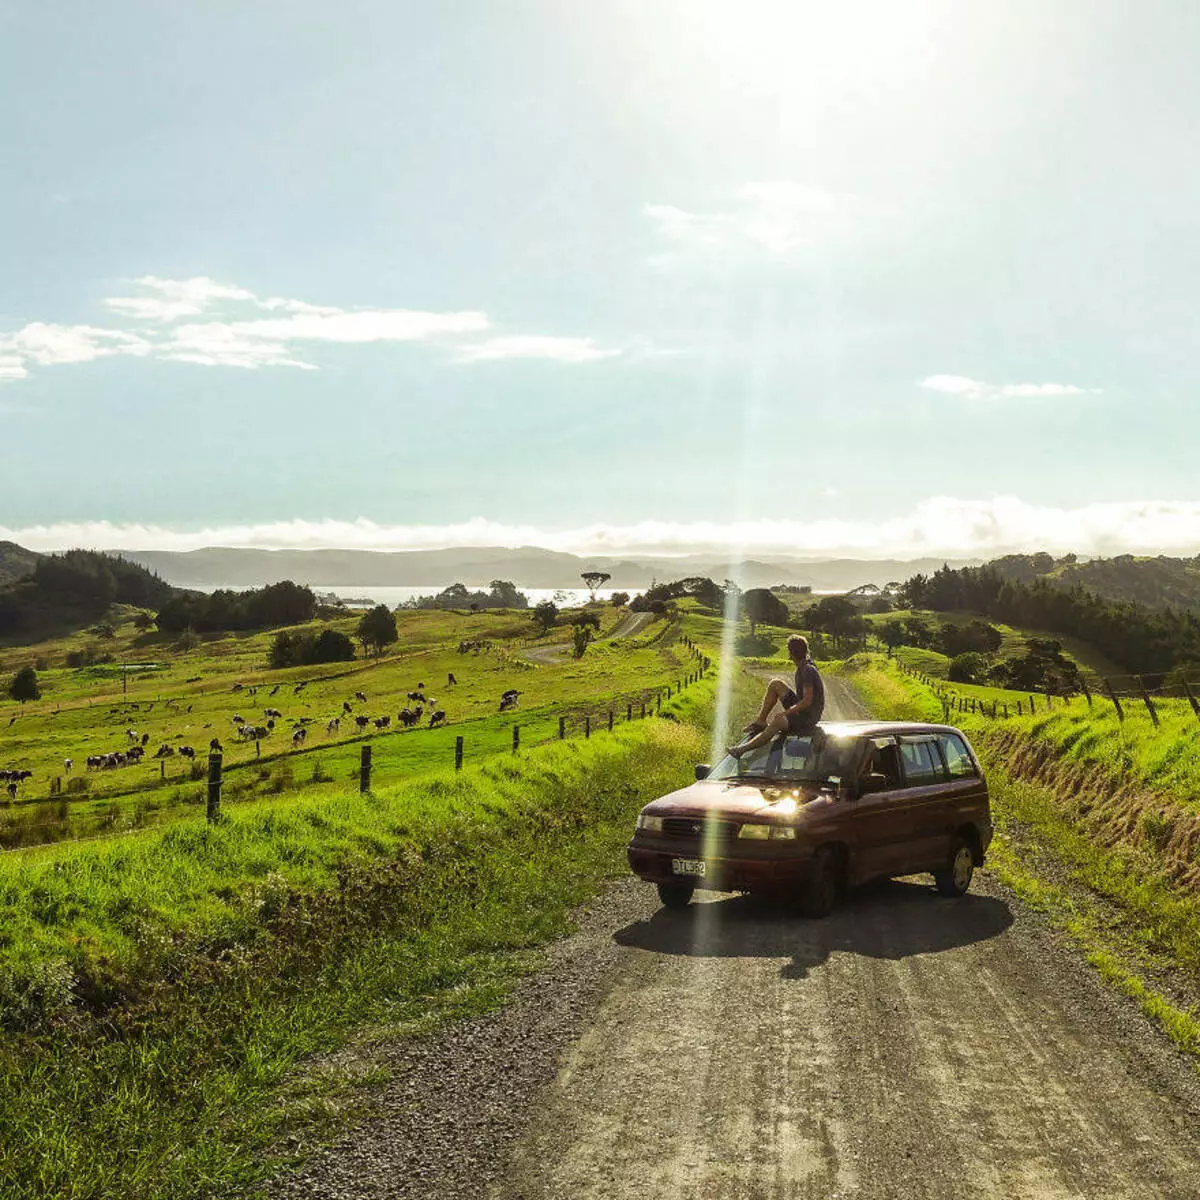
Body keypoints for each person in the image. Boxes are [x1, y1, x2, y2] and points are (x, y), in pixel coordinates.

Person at [728, 634, 825, 757]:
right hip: (802, 711)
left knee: (778, 720)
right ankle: (761, 721)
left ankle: (741, 750)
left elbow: (807, 701)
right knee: (775, 684)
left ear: (792, 653)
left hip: (807, 717)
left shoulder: (808, 670)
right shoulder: (802, 667)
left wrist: (786, 713)